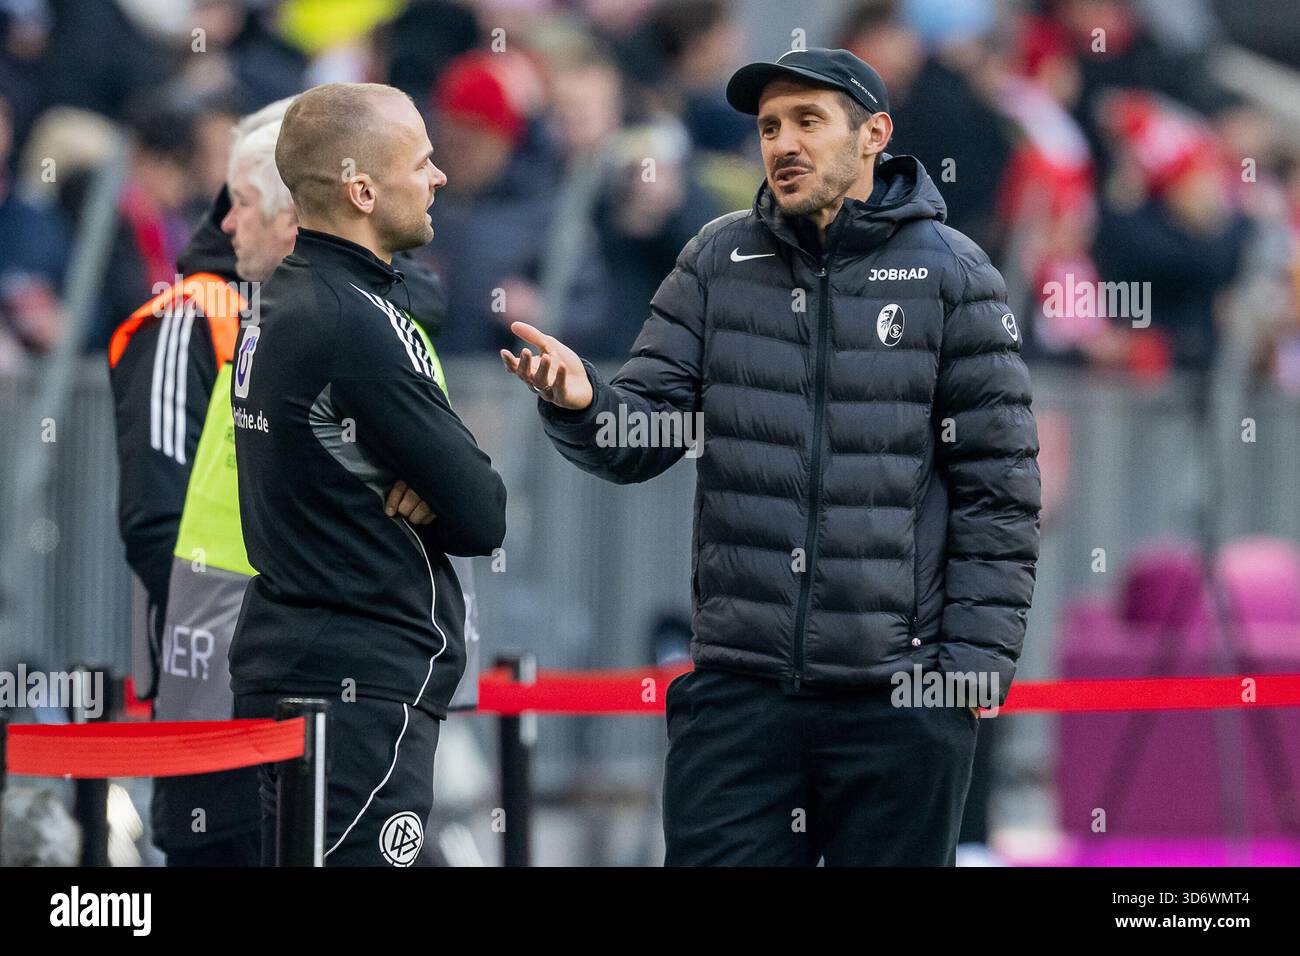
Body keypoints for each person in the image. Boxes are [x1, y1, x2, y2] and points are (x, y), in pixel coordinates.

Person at [503, 48, 1041, 866]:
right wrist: (583, 404)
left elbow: (999, 493)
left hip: (901, 703)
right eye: (768, 127)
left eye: (807, 122)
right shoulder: (718, 260)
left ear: (874, 137)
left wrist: (962, 680)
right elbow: (640, 436)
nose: (783, 143)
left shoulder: (954, 276)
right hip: (739, 696)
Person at [229, 82, 506, 867]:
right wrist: (437, 492)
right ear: (362, 190)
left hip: (299, 664)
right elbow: (484, 512)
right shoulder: (357, 322)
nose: (439, 177)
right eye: (421, 162)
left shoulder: (283, 298)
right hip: (356, 688)